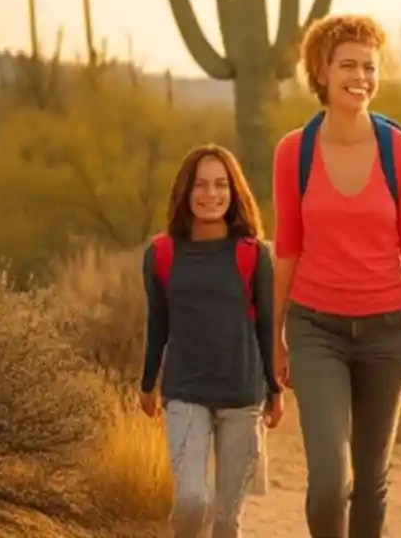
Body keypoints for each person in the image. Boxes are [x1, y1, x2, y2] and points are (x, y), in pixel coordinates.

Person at [270, 13, 401, 538]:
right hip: (315, 329)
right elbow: (285, 250)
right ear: (320, 72)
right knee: (331, 477)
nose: (360, 77)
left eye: (369, 67)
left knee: (371, 481)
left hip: (388, 332)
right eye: (347, 64)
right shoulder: (294, 153)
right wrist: (275, 338)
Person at [139, 144, 283, 538]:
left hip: (242, 396)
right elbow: (159, 323)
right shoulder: (162, 253)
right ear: (185, 191)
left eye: (221, 185)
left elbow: (266, 325)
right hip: (185, 393)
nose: (210, 194)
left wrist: (275, 389)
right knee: (191, 502)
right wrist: (148, 383)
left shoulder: (252, 254)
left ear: (234, 193)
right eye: (200, 185)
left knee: (225, 520)